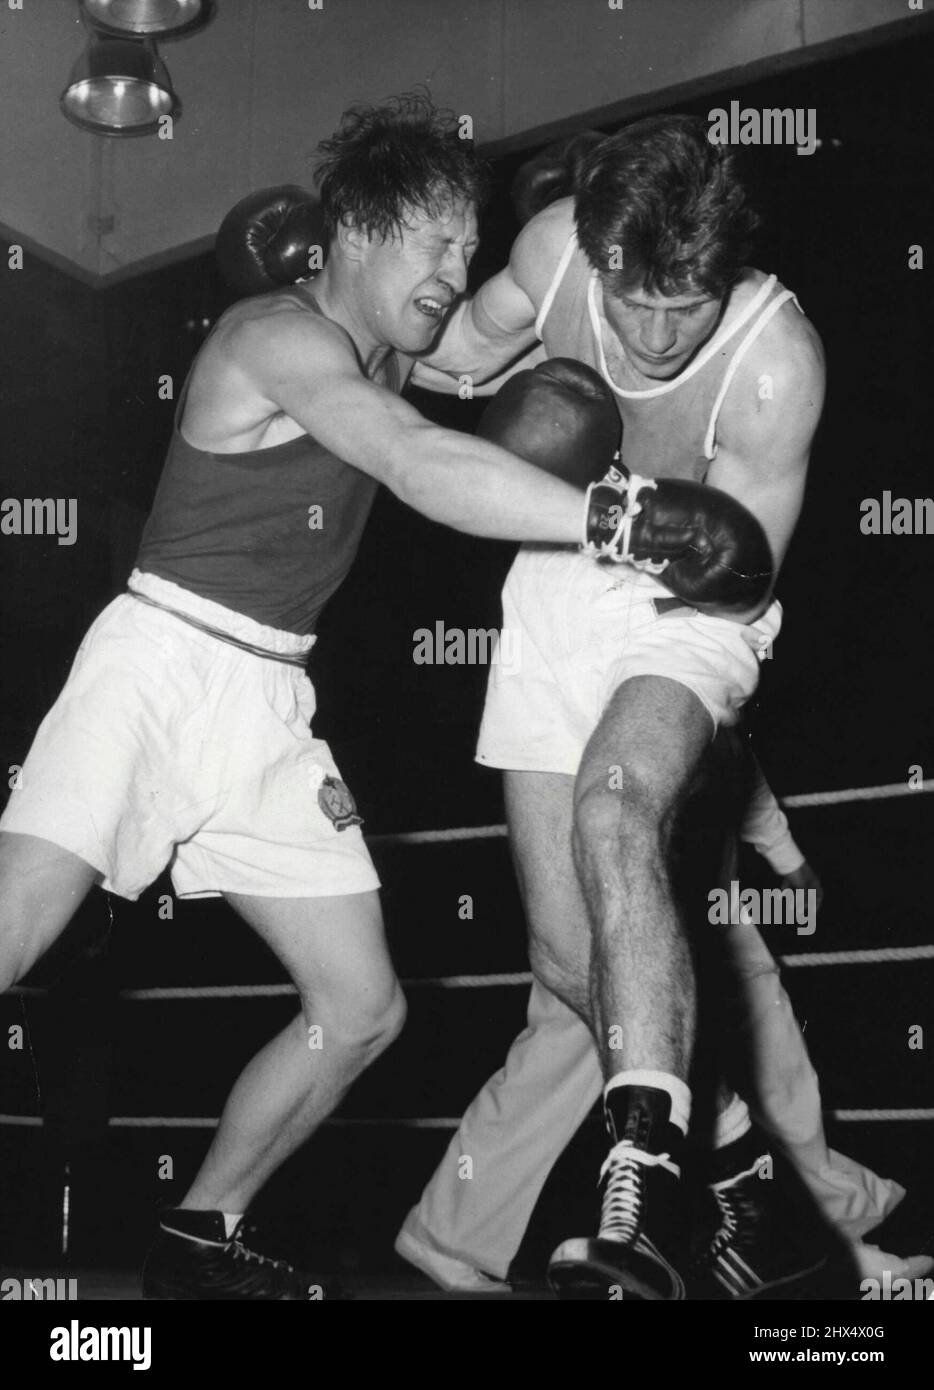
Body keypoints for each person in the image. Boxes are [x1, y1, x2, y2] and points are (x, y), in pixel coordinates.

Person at [0, 93, 630, 1301]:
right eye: (435, 242)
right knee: (13, 934)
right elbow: (417, 459)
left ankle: (199, 1237)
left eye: (467, 243)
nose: (457, 270)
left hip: (269, 700)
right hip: (157, 666)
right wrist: (622, 523)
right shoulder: (274, 337)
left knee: (362, 1007)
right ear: (355, 232)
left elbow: (498, 336)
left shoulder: (391, 346)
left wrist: (591, 234)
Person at [395, 114, 918, 1299]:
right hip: (551, 581)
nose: (661, 333)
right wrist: (351, 333)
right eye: (637, 302)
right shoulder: (549, 256)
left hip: (686, 609)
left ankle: (640, 1197)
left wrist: (647, 516)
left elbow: (742, 578)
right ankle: (739, 1166)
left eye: (690, 304)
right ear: (593, 255)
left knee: (614, 805)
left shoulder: (775, 360)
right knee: (563, 956)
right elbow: (448, 359)